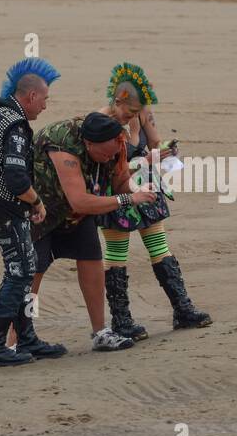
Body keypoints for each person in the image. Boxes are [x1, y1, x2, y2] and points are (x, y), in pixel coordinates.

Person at [0, 57, 67, 369]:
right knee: (19, 271)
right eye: (45, 99)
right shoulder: (16, 126)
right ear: (31, 96)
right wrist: (36, 202)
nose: (45, 107)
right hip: (1, 203)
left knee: (24, 266)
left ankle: (27, 338)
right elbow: (17, 179)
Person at [25, 111, 158, 351]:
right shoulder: (63, 145)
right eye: (104, 154)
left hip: (80, 214)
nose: (109, 158)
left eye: (113, 154)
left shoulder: (117, 144)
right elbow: (79, 201)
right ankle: (19, 336)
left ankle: (100, 332)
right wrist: (128, 199)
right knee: (32, 276)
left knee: (92, 261)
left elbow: (120, 184)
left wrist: (140, 185)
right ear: (88, 144)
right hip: (41, 211)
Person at [97, 62, 210, 339]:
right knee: (116, 254)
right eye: (130, 111)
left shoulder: (143, 112)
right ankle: (122, 321)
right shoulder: (101, 121)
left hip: (146, 185)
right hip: (116, 191)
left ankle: (183, 310)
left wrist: (165, 152)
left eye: (138, 112)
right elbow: (109, 167)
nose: (133, 117)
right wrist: (145, 160)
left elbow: (155, 142)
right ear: (118, 100)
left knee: (159, 245)